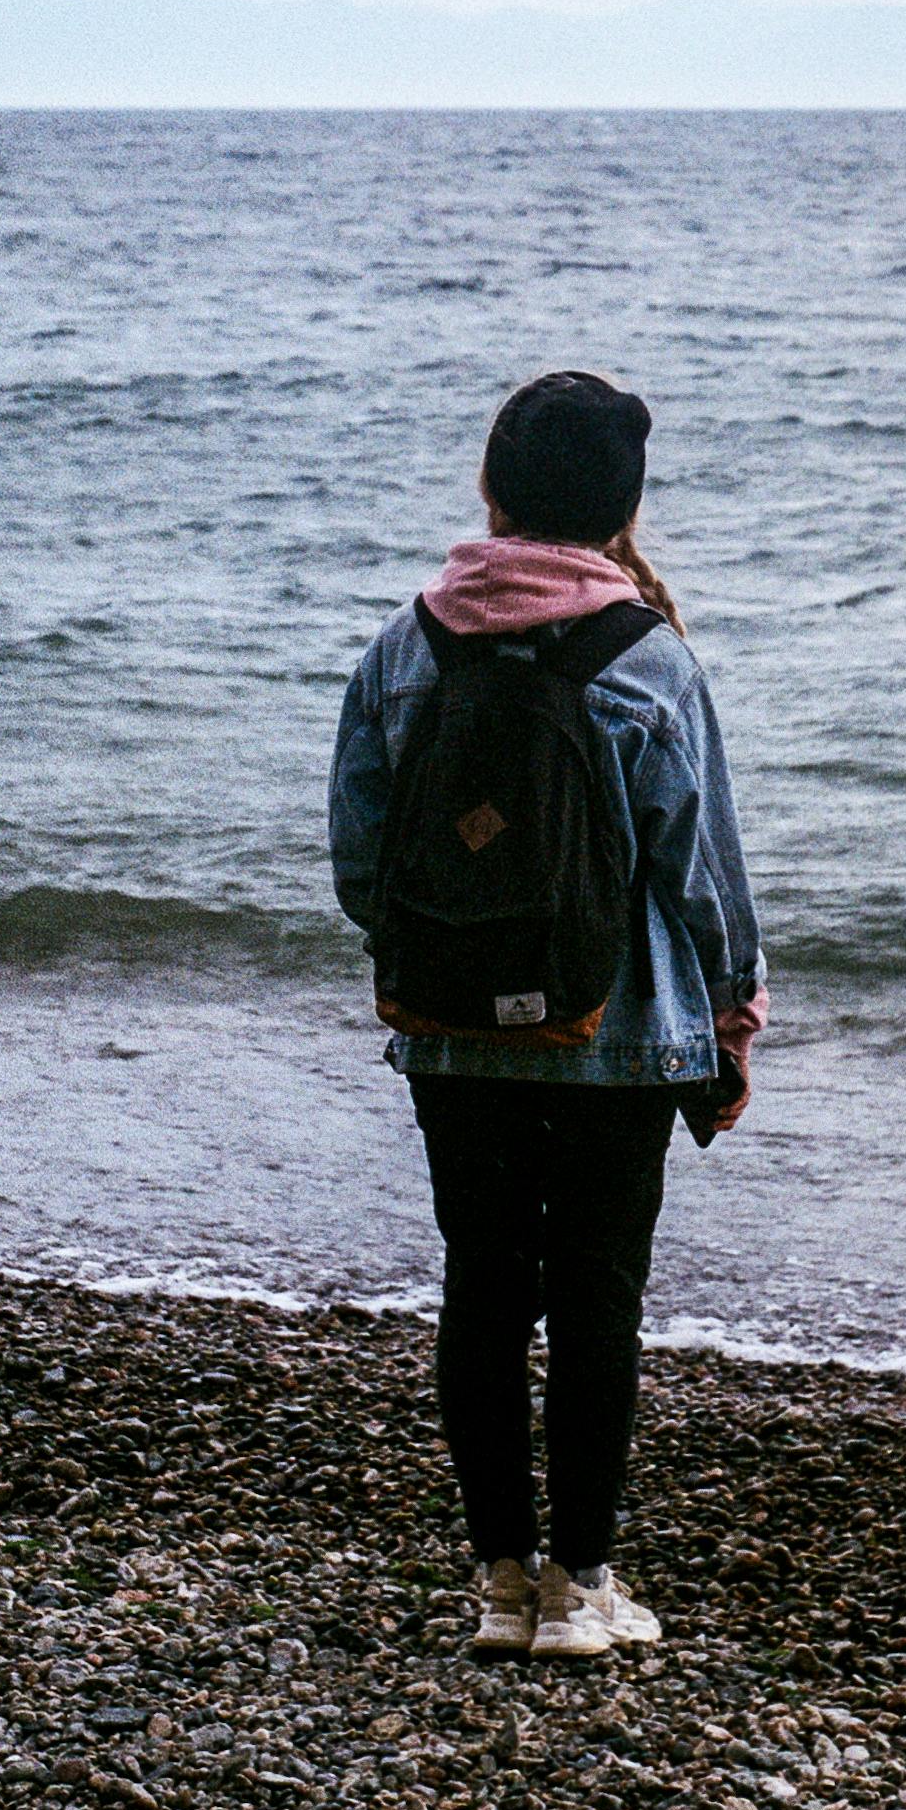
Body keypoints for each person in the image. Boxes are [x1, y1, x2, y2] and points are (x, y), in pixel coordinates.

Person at [328, 371, 767, 1660]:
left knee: (481, 1289)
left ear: (493, 487)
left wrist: (461, 963)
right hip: (619, 1039)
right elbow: (705, 878)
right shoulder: (650, 661)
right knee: (594, 1303)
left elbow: (363, 866)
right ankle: (582, 1591)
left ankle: (499, 1585)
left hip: (451, 1032)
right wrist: (732, 1027)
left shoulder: (403, 649)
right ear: (623, 503)